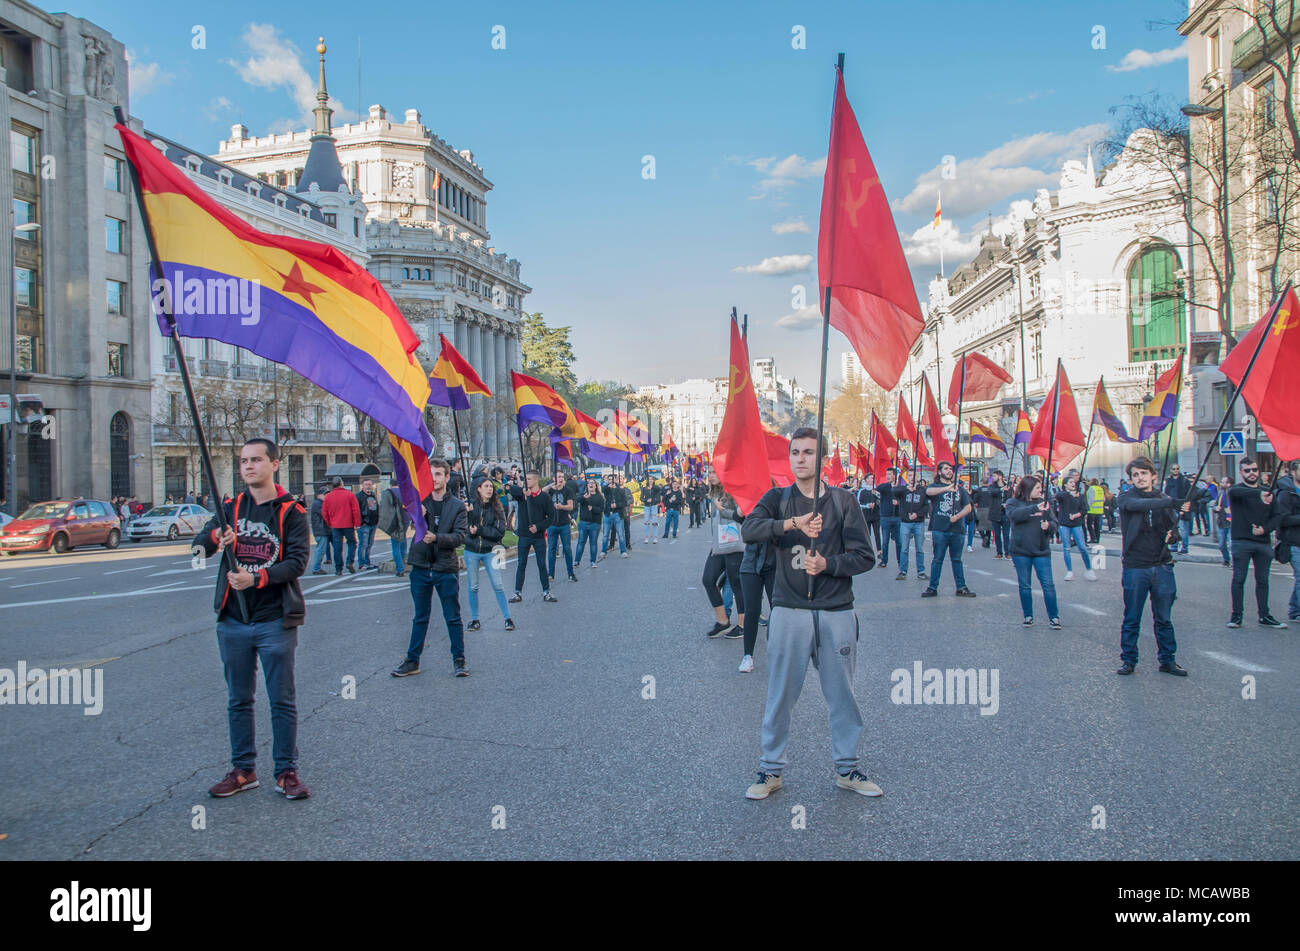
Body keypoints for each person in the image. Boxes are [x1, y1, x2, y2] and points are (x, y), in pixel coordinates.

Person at [740, 427, 878, 801]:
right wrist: (791, 524)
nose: (800, 458)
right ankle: (770, 770)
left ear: (823, 460)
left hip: (836, 611)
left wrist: (829, 564)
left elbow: (865, 556)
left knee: (842, 695)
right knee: (780, 694)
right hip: (789, 610)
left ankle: (847, 768)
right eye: (795, 452)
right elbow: (749, 529)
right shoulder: (778, 498)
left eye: (809, 452)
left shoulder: (843, 501)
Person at [200, 438, 311, 800]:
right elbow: (199, 546)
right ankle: (243, 770)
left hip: (274, 619)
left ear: (274, 464)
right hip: (233, 620)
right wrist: (217, 536)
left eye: (256, 460)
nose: (248, 466)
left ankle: (286, 771)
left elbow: (297, 563)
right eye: (244, 461)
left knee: (281, 699)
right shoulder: (230, 507)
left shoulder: (292, 511)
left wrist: (257, 578)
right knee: (238, 699)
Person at [391, 459, 470, 677]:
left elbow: (460, 537)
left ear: (447, 477)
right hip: (421, 566)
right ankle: (412, 660)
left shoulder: (457, 506)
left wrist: (437, 538)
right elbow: (406, 523)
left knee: (452, 616)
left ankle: (459, 660)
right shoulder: (419, 502)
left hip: (445, 567)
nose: (434, 479)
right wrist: (418, 514)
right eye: (431, 474)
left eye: (438, 474)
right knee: (420, 617)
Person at [1115, 456, 1189, 676]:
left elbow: (1172, 530)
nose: (1139, 478)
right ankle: (1129, 660)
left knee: (1164, 618)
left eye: (1143, 473)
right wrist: (1171, 502)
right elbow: (1138, 505)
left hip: (1162, 565)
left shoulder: (1162, 498)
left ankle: (1168, 660)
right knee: (1132, 617)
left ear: (1153, 476)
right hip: (1135, 566)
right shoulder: (1126, 498)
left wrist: (1172, 535)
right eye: (1135, 475)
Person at [1227, 458, 1287, 628]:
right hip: (1241, 542)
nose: (1251, 473)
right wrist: (1259, 494)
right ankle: (1236, 616)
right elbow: (1235, 492)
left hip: (1262, 542)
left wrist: (1265, 529)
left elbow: (1278, 516)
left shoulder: (1267, 492)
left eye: (1254, 469)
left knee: (1263, 581)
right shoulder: (1237, 490)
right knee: (1239, 579)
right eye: (1247, 470)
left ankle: (1265, 615)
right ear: (1241, 473)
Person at [1006, 475, 1061, 628]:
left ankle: (1054, 617)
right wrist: (1035, 508)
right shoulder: (1013, 502)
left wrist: (1049, 526)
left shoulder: (1045, 503)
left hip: (1041, 550)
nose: (1040, 490)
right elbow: (1014, 516)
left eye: (1040, 488)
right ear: (1028, 488)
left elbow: (1055, 523)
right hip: (1021, 550)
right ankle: (1028, 615)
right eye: (1037, 488)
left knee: (1048, 584)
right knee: (1025, 585)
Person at [464, 475, 514, 632]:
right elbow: (462, 528)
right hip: (471, 550)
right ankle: (475, 619)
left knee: (498, 585)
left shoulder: (497, 508)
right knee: (473, 587)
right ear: (478, 489)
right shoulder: (470, 506)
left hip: (492, 550)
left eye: (491, 486)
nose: (489, 489)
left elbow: (499, 532)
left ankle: (507, 618)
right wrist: (467, 517)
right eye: (486, 486)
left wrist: (479, 530)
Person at [923, 461, 976, 598]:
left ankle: (961, 587)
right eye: (946, 469)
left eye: (950, 469)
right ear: (939, 472)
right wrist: (946, 489)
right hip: (940, 528)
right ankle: (932, 587)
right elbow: (928, 492)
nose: (949, 471)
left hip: (957, 529)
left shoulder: (960, 489)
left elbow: (968, 507)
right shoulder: (935, 486)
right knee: (937, 559)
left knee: (957, 559)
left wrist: (958, 516)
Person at [702, 471, 745, 638]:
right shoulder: (715, 494)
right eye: (709, 472)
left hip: (735, 543)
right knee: (708, 579)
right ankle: (722, 621)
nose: (711, 475)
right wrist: (713, 542)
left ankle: (743, 625)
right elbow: (715, 522)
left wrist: (721, 509)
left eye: (714, 472)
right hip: (719, 544)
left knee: (736, 583)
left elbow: (741, 515)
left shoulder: (734, 492)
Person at [509, 471, 558, 602]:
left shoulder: (545, 497)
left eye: (529, 479)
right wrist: (522, 492)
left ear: (536, 480)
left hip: (538, 537)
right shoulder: (522, 494)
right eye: (526, 479)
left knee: (541, 564)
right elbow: (511, 490)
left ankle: (546, 592)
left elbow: (551, 517)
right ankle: (517, 593)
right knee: (521, 564)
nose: (527, 481)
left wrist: (539, 526)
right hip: (524, 536)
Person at [737, 531, 776, 674]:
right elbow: (743, 525)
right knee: (751, 611)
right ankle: (747, 656)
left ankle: (777, 654)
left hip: (776, 560)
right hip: (751, 560)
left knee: (778, 611)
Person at [1268, 459, 1300, 622]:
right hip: (1293, 542)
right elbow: (1283, 519)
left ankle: (1295, 610)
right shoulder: (1286, 493)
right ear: (1293, 472)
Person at [1053, 471, 1097, 581]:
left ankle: (1089, 569)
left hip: (1076, 524)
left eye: (1074, 482)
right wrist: (1069, 494)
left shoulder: (1080, 496)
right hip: (1064, 524)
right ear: (1065, 485)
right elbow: (1057, 496)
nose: (1073, 484)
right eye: (1070, 482)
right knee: (1066, 548)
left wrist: (1076, 515)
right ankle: (1069, 571)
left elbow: (1084, 509)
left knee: (1082, 547)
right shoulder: (1063, 495)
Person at [545, 470, 579, 584]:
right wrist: (551, 485)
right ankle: (551, 574)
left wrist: (561, 507)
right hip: (552, 524)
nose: (560, 479)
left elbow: (570, 506)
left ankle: (570, 573)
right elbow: (541, 492)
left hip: (564, 524)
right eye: (558, 477)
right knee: (551, 549)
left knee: (567, 549)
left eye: (561, 477)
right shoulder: (550, 491)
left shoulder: (567, 491)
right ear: (554, 479)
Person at [321, 476, 360, 575]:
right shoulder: (349, 494)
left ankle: (338, 569)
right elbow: (355, 510)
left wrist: (330, 523)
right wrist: (356, 523)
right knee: (352, 543)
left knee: (337, 547)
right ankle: (349, 562)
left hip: (335, 525)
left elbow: (324, 513)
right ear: (341, 483)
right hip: (348, 524)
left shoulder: (328, 497)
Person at [896, 473, 928, 581]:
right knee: (904, 548)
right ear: (907, 477)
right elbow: (894, 491)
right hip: (905, 522)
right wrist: (906, 488)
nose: (912, 477)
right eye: (910, 475)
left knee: (919, 549)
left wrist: (917, 514)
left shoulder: (922, 490)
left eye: (914, 475)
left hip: (918, 522)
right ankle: (903, 571)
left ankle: (921, 571)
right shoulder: (903, 489)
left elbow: (926, 506)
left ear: (918, 477)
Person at [379, 481, 410, 577]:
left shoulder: (387, 493)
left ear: (391, 485)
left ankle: (400, 569)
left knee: (395, 545)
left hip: (395, 521)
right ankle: (403, 559)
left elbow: (384, 508)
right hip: (405, 519)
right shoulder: (405, 492)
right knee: (403, 539)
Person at [574, 478, 605, 567]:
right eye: (589, 483)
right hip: (583, 523)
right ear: (587, 486)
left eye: (592, 483)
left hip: (595, 523)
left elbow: (601, 509)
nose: (590, 484)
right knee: (581, 542)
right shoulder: (584, 495)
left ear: (596, 486)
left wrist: (593, 508)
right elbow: (576, 500)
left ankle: (593, 561)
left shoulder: (599, 497)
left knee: (593, 543)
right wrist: (584, 497)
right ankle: (576, 561)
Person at [877, 467, 904, 569]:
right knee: (885, 541)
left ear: (894, 475)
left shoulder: (900, 488)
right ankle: (884, 561)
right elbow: (877, 489)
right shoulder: (885, 487)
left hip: (897, 517)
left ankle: (900, 561)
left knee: (899, 541)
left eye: (890, 474)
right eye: (887, 474)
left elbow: (904, 500)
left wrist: (898, 503)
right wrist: (890, 485)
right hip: (885, 517)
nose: (888, 476)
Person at [1162, 463, 1192, 555]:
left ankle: (1184, 547)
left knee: (1183, 528)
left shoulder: (1184, 481)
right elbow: (1165, 493)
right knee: (1173, 527)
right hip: (1171, 506)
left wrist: (1185, 505)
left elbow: (1189, 494)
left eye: (1177, 469)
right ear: (1171, 470)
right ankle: (1174, 545)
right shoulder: (1168, 481)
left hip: (1181, 506)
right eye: (1174, 469)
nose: (1176, 470)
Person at [601, 473, 630, 558]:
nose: (611, 481)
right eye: (609, 480)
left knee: (620, 534)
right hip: (607, 514)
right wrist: (608, 487)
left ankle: (623, 551)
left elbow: (624, 502)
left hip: (617, 514)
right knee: (605, 534)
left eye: (613, 480)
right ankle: (603, 551)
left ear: (616, 480)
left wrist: (617, 505)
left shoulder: (620, 490)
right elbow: (603, 489)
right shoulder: (606, 489)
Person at [355, 478, 380, 570]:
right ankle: (362, 563)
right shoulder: (359, 496)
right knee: (363, 544)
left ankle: (367, 562)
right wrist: (361, 522)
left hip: (373, 523)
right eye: (366, 484)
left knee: (370, 544)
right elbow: (356, 511)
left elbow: (376, 507)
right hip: (364, 524)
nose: (368, 486)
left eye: (370, 484)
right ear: (362, 486)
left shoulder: (373, 495)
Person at [308, 486, 332, 574]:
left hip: (322, 530)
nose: (327, 496)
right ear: (319, 495)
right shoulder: (318, 503)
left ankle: (317, 568)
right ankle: (316, 568)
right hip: (321, 530)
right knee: (320, 550)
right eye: (325, 494)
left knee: (321, 549)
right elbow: (326, 514)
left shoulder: (320, 503)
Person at [856, 474, 881, 554]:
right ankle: (868, 549)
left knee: (877, 533)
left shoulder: (876, 489)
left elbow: (881, 499)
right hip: (866, 515)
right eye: (871, 478)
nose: (873, 479)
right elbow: (858, 503)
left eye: (873, 478)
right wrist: (867, 505)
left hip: (876, 514)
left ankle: (879, 550)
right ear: (866, 479)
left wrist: (876, 494)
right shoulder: (862, 491)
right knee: (867, 533)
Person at [1213, 477, 1232, 568]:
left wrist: (1232, 510)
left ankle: (1234, 562)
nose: (1221, 484)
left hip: (1231, 522)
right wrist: (1216, 508)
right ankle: (1226, 559)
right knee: (1221, 544)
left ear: (1229, 484)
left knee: (1232, 544)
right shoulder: (1220, 493)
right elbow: (1215, 505)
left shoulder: (1233, 494)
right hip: (1221, 521)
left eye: (1223, 482)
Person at [641, 477, 662, 545]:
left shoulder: (656, 488)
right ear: (647, 480)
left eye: (651, 479)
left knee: (654, 522)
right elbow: (641, 498)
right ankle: (646, 538)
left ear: (653, 480)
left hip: (654, 506)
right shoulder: (644, 488)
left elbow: (658, 498)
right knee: (646, 522)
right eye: (649, 479)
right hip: (646, 506)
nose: (650, 480)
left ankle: (655, 538)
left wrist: (653, 500)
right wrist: (646, 500)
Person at [1085, 477, 1105, 545]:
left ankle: (1093, 538)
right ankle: (1097, 538)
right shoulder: (1100, 489)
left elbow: (1091, 499)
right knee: (1097, 525)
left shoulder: (1091, 488)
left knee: (1089, 525)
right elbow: (1103, 499)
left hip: (1092, 510)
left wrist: (1086, 507)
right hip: (1099, 510)